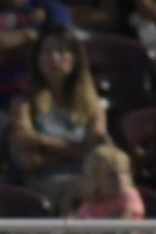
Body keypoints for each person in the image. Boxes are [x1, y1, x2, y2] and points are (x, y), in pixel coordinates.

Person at [9, 26, 106, 209]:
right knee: (80, 189)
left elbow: (96, 154)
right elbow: (28, 162)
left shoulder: (93, 108)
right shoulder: (24, 104)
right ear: (37, 59)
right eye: (47, 51)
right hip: (43, 183)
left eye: (61, 51)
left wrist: (40, 141)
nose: (54, 57)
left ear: (75, 58)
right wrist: (76, 153)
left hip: (88, 180)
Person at [0, 0, 70, 107]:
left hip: (44, 98)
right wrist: (28, 35)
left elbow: (60, 46)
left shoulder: (50, 9)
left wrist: (2, 51)